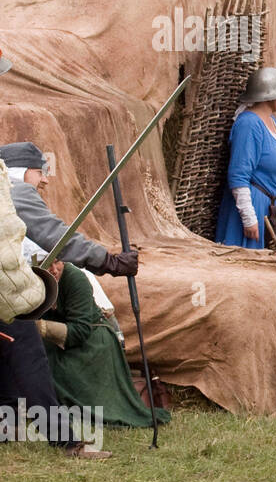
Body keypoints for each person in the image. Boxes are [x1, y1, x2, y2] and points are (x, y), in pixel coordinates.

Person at [0, 53, 111, 460]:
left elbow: (11, 229)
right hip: (4, 286)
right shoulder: (13, 185)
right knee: (28, 357)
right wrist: (105, 259)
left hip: (6, 282)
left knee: (16, 353)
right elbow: (25, 229)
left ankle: (8, 430)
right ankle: (66, 442)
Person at [37, 261, 170, 429]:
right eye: (48, 264)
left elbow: (80, 330)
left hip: (92, 342)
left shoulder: (74, 277)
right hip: (60, 341)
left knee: (59, 369)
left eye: (57, 262)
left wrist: (40, 327)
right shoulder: (30, 280)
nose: (54, 270)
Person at [1, 141, 138, 278]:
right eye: (39, 172)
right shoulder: (13, 190)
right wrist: (110, 262)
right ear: (18, 171)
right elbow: (53, 234)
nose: (45, 180)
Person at [215, 67, 276, 248]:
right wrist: (249, 218)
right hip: (258, 210)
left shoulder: (271, 120)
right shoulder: (249, 124)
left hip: (275, 209)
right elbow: (238, 174)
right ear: (270, 96)